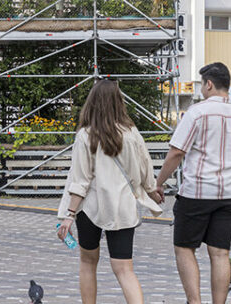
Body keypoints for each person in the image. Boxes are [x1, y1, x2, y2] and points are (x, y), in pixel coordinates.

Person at [154, 62, 231, 304]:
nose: (202, 90)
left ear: (209, 84)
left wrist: (159, 182)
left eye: (202, 85)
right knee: (221, 253)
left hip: (197, 193)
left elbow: (176, 153)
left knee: (184, 248)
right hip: (230, 194)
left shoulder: (197, 112)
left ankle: (194, 302)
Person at [56, 78, 161, 304]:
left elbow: (80, 180)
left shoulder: (85, 135)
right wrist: (152, 191)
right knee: (124, 269)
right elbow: (145, 169)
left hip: (91, 209)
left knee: (87, 263)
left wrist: (69, 215)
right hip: (123, 208)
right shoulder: (132, 133)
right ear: (118, 102)